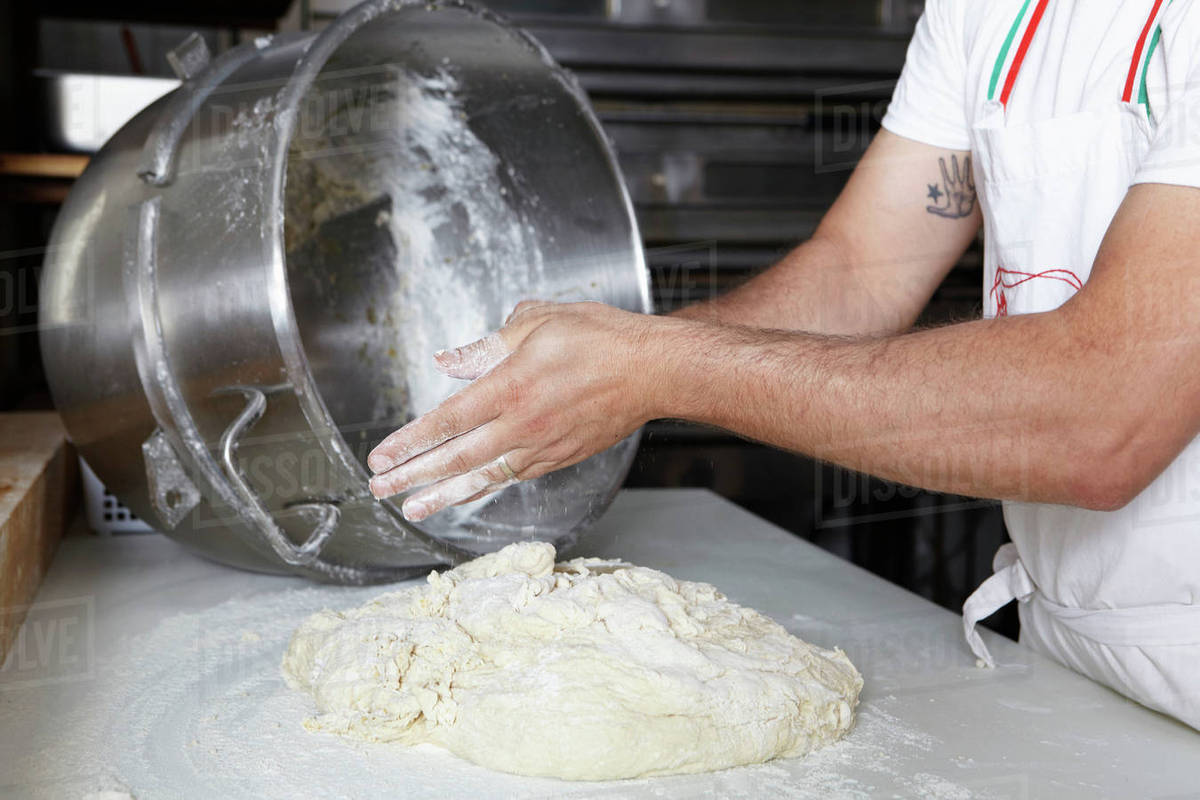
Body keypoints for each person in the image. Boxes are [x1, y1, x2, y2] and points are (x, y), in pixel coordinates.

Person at [365, 0, 1200, 730]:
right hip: (1067, 655)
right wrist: (606, 363)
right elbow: (859, 269)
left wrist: (657, 367)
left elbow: (1105, 417)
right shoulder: (983, 10)